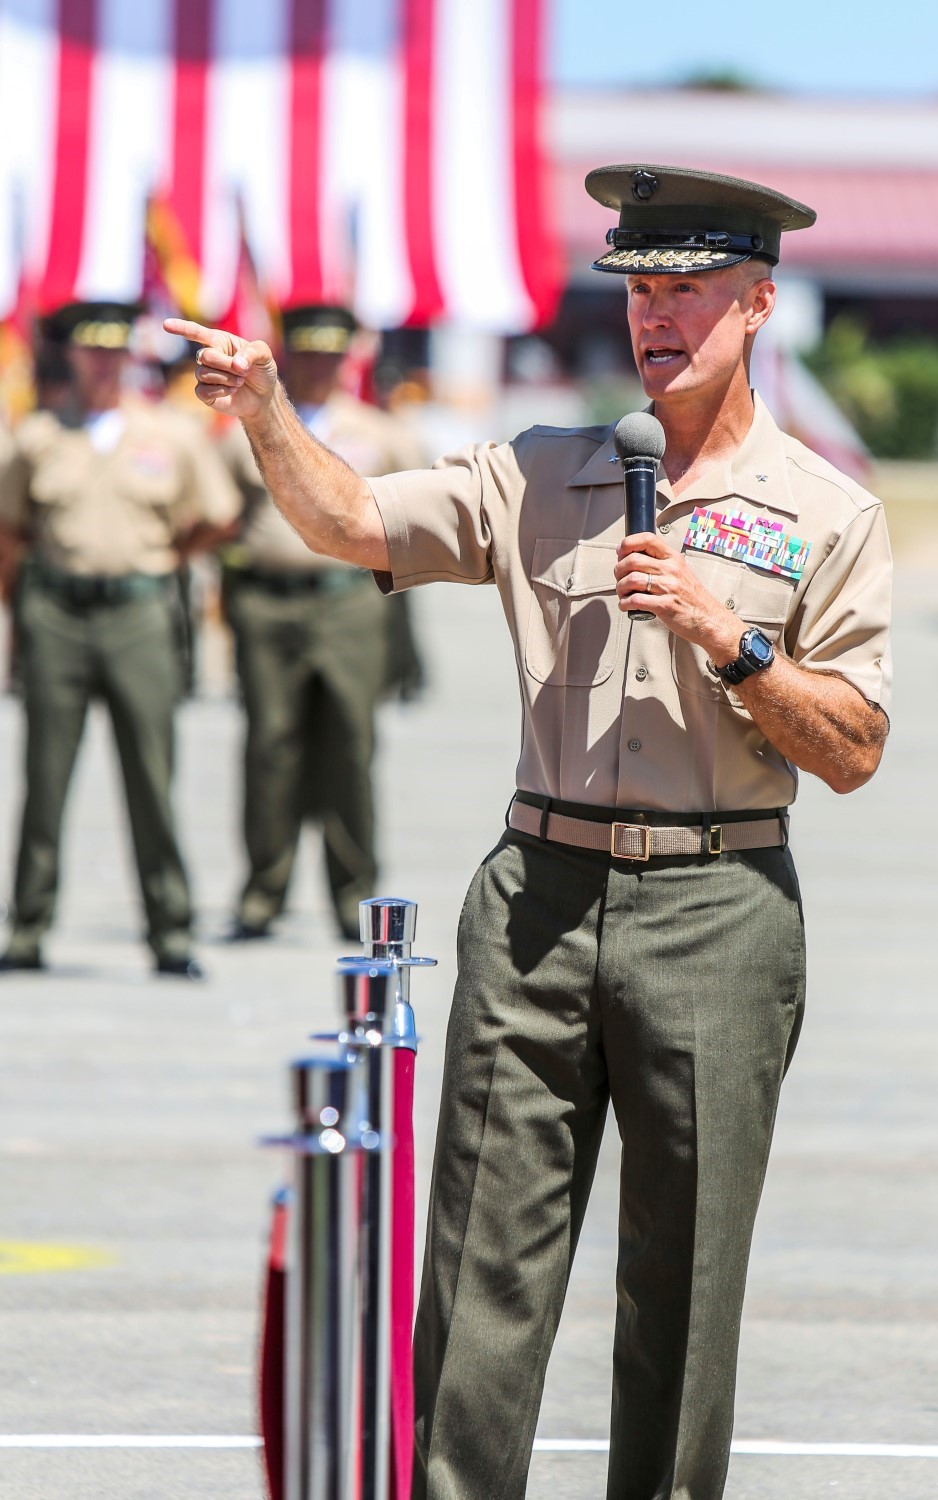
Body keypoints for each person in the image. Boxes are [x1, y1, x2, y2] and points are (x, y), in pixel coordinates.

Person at [166, 162, 892, 1499]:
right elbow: (349, 521)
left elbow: (851, 748)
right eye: (640, 292)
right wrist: (268, 410)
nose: (656, 319)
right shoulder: (541, 473)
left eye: (688, 293)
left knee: (683, 1292)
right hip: (536, 905)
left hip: (720, 912)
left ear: (758, 305)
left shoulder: (828, 513)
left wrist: (727, 638)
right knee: (478, 1282)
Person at [0, 301, 241, 978]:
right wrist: (23, 607)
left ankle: (170, 931)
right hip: (59, 612)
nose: (101, 363)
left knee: (151, 777)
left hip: (138, 613)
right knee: (44, 780)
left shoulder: (167, 434)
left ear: (127, 358)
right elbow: (9, 527)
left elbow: (218, 516)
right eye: (90, 351)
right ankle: (27, 926)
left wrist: (169, 559)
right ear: (72, 356)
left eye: (113, 352)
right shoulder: (39, 436)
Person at [219, 303, 427, 944]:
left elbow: (411, 532)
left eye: (330, 356)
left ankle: (352, 892)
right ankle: (263, 890)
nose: (317, 367)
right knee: (269, 748)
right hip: (270, 600)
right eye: (306, 355)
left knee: (349, 744)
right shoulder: (246, 430)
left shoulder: (378, 432)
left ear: (346, 360)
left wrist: (406, 644)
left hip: (349, 602)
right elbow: (219, 520)